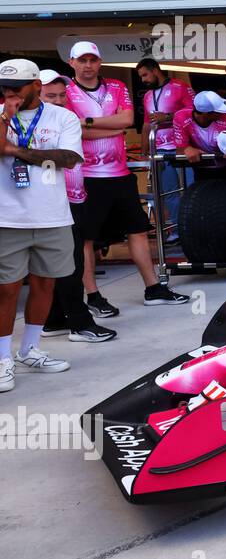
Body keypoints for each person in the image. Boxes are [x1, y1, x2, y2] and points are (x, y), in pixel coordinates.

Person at [63, 41, 188, 314]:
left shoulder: (117, 87)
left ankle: (153, 288)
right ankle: (93, 296)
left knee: (138, 230)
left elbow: (127, 120)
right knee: (86, 239)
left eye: (92, 60)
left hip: (120, 173)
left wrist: (90, 123)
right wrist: (109, 125)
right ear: (71, 62)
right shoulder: (66, 91)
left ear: (99, 62)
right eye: (81, 60)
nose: (88, 65)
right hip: (85, 176)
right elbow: (73, 131)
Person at [0, 59, 82, 390]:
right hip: (7, 216)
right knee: (5, 290)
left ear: (36, 84)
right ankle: (3, 358)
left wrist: (14, 150)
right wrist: (6, 116)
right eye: (3, 88)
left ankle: (29, 349)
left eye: (15, 88)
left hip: (51, 214)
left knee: (45, 284)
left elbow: (69, 159)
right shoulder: (1, 114)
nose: (8, 93)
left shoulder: (62, 117)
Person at [37, 71, 115, 344]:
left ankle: (55, 318)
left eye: (62, 95)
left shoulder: (65, 118)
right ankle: (80, 323)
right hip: (56, 202)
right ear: (37, 93)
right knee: (70, 263)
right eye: (51, 95)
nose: (58, 100)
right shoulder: (35, 123)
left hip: (75, 196)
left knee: (67, 261)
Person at [136, 58, 194, 243]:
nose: (143, 79)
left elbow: (195, 112)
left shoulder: (180, 87)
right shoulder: (147, 96)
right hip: (160, 151)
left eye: (145, 74)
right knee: (169, 193)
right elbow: (146, 124)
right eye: (141, 76)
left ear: (155, 70)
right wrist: (144, 152)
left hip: (182, 149)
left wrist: (168, 116)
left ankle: (195, 228)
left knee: (190, 190)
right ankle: (177, 231)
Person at [175, 90, 226, 168]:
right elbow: (180, 150)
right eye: (219, 111)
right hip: (200, 167)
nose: (224, 112)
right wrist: (187, 149)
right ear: (205, 113)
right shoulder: (181, 117)